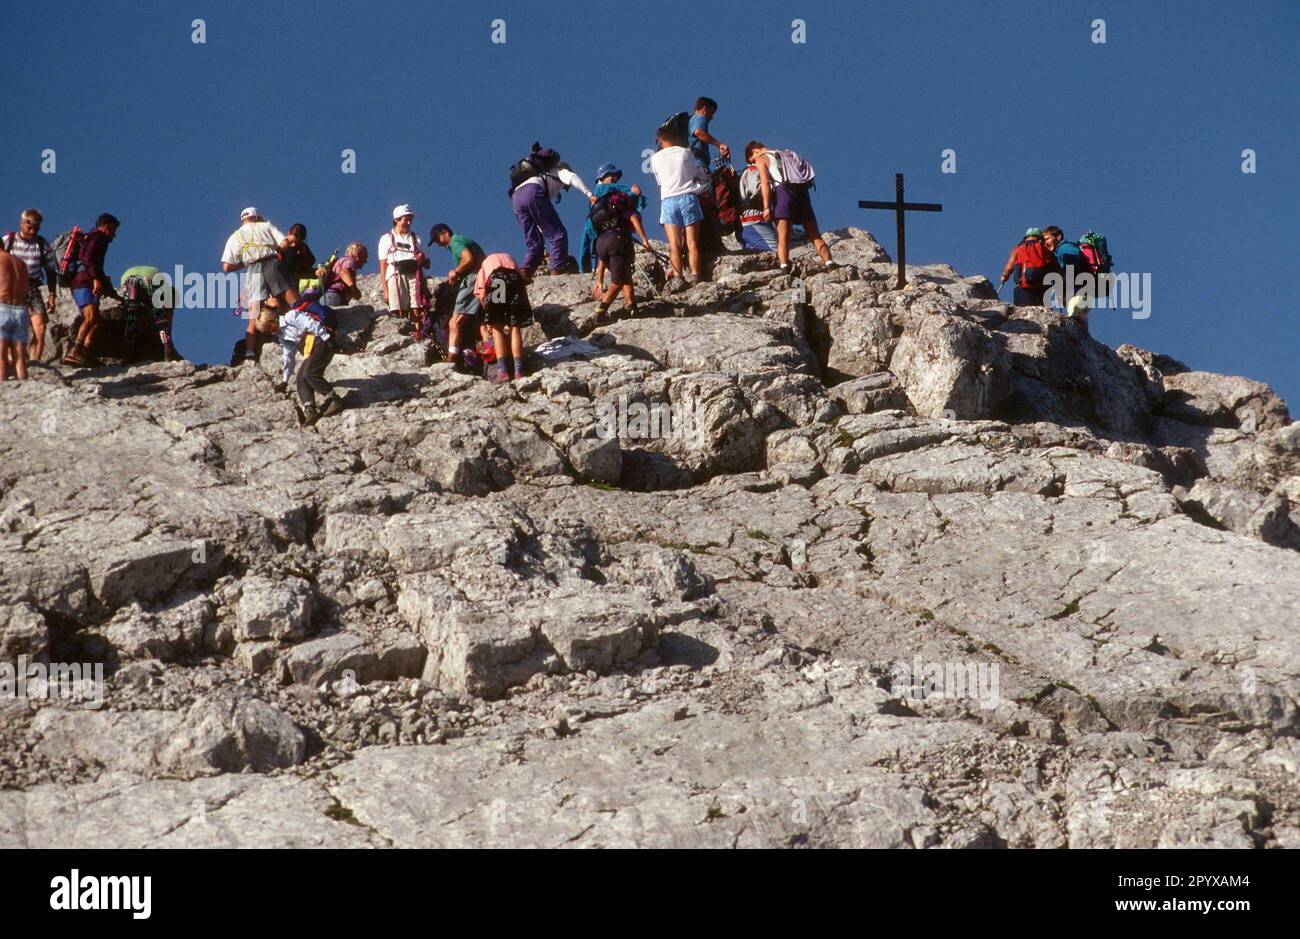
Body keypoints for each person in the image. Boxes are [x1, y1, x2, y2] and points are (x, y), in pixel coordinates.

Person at [509, 143, 596, 278]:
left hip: (516, 198)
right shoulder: (560, 171)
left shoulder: (539, 176)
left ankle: (525, 272)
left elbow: (540, 220)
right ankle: (557, 269)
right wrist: (589, 194)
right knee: (559, 234)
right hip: (533, 192)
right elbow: (573, 178)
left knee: (534, 243)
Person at [744, 142, 834, 273]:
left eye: (752, 160)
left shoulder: (762, 158)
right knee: (814, 234)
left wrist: (766, 207)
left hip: (783, 192)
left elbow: (764, 182)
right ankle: (829, 263)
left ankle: (784, 267)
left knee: (782, 235)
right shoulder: (786, 153)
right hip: (801, 192)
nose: (753, 163)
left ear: (755, 152)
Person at [221, 207, 296, 363]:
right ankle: (304, 328)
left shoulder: (235, 237)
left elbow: (226, 267)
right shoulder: (266, 225)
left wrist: (244, 263)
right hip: (272, 263)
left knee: (253, 316)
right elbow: (285, 242)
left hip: (252, 270)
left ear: (243, 219)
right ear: (257, 217)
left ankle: (250, 353)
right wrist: (277, 251)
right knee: (292, 301)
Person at [650, 124, 709, 287]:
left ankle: (678, 276)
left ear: (661, 139)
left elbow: (659, 181)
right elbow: (694, 174)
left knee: (674, 244)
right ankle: (696, 275)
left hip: (669, 199)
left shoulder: (655, 158)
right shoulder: (686, 152)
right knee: (692, 242)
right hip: (688, 197)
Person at [280, 294, 349, 426]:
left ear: (272, 320)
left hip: (321, 340)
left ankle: (333, 399)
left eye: (269, 328)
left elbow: (310, 323)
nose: (271, 332)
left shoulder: (290, 316)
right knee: (300, 377)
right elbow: (288, 356)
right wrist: (284, 381)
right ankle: (310, 410)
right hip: (311, 347)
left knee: (310, 373)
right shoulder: (281, 335)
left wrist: (326, 338)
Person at [63, 213, 122, 367]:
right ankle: (75, 350)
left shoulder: (90, 238)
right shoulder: (98, 238)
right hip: (83, 282)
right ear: (107, 226)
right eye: (114, 230)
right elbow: (89, 260)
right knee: (91, 317)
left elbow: (96, 266)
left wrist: (113, 294)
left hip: (83, 281)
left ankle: (85, 353)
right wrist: (96, 279)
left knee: (96, 321)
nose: (114, 236)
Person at [590, 186, 652, 325]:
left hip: (601, 244)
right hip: (616, 241)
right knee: (617, 282)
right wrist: (645, 240)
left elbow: (602, 259)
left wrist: (599, 280)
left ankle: (633, 309)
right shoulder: (625, 210)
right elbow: (634, 219)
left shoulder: (606, 215)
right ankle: (600, 313)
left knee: (625, 276)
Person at [3, 209, 58, 365]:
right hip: (12, 287)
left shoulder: (42, 244)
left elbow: (50, 271)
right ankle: (10, 360)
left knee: (40, 326)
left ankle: (34, 362)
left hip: (32, 287)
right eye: (29, 225)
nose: (32, 230)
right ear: (22, 223)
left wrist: (52, 295)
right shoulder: (9, 240)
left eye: (36, 227)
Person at [428, 223, 486, 365]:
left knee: (455, 321)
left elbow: (468, 258)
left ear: (445, 232)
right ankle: (490, 353)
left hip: (474, 279)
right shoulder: (459, 241)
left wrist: (456, 272)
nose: (437, 243)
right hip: (484, 278)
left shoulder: (456, 241)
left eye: (436, 238)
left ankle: (451, 359)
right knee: (482, 323)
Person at [474, 252, 532, 383]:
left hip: (497, 278)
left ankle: (503, 371)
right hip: (516, 279)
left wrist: (489, 315)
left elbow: (482, 294)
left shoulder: (484, 266)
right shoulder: (508, 256)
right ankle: (519, 371)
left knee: (497, 327)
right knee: (515, 327)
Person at [580, 164, 646, 273]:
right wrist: (633, 193)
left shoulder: (594, 195)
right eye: (612, 175)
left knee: (588, 244)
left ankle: (585, 271)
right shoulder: (610, 188)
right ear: (603, 177)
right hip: (611, 226)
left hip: (594, 223)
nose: (615, 178)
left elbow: (584, 246)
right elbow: (625, 195)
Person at [377, 205, 428, 327]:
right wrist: (385, 290)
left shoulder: (416, 239)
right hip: (395, 273)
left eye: (410, 219)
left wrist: (423, 259)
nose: (409, 222)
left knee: (417, 307)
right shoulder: (386, 239)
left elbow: (427, 264)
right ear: (397, 220)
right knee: (398, 309)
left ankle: (418, 333)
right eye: (406, 219)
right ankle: (404, 332)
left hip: (415, 274)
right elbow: (383, 265)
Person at [119, 265, 178, 361]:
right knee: (161, 318)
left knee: (132, 316)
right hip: (153, 280)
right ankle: (168, 350)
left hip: (129, 280)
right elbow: (168, 314)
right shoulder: (168, 291)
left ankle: (129, 351)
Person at [1043, 226, 1091, 332]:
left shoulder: (1064, 248)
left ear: (1058, 237)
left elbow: (1072, 261)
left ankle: (1081, 339)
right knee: (1076, 316)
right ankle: (1082, 338)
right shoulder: (1058, 252)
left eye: (1048, 239)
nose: (1045, 243)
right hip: (1079, 291)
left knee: (1076, 316)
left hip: (1078, 290)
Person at [999, 227, 1059, 307]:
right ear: (1040, 239)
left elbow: (1009, 267)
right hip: (1042, 290)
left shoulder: (1018, 249)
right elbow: (1056, 270)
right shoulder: (1045, 250)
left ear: (1026, 237)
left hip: (1023, 288)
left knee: (1022, 314)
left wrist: (1004, 276)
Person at [0, 238, 30, 380]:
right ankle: (24, 387)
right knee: (20, 359)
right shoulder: (21, 263)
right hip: (21, 311)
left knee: (1, 357)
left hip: (2, 308)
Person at [737, 157, 779, 252]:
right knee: (777, 250)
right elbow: (757, 189)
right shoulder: (754, 170)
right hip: (754, 220)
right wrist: (773, 186)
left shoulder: (747, 171)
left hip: (747, 222)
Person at [321, 242, 368, 307]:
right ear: (358, 254)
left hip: (328, 296)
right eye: (365, 256)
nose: (366, 261)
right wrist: (353, 287)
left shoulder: (341, 260)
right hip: (335, 296)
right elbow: (343, 272)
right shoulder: (350, 261)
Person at [688, 97, 729, 169]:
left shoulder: (690, 121)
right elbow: (698, 132)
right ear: (705, 109)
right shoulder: (700, 118)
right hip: (698, 166)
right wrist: (719, 144)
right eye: (711, 113)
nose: (712, 117)